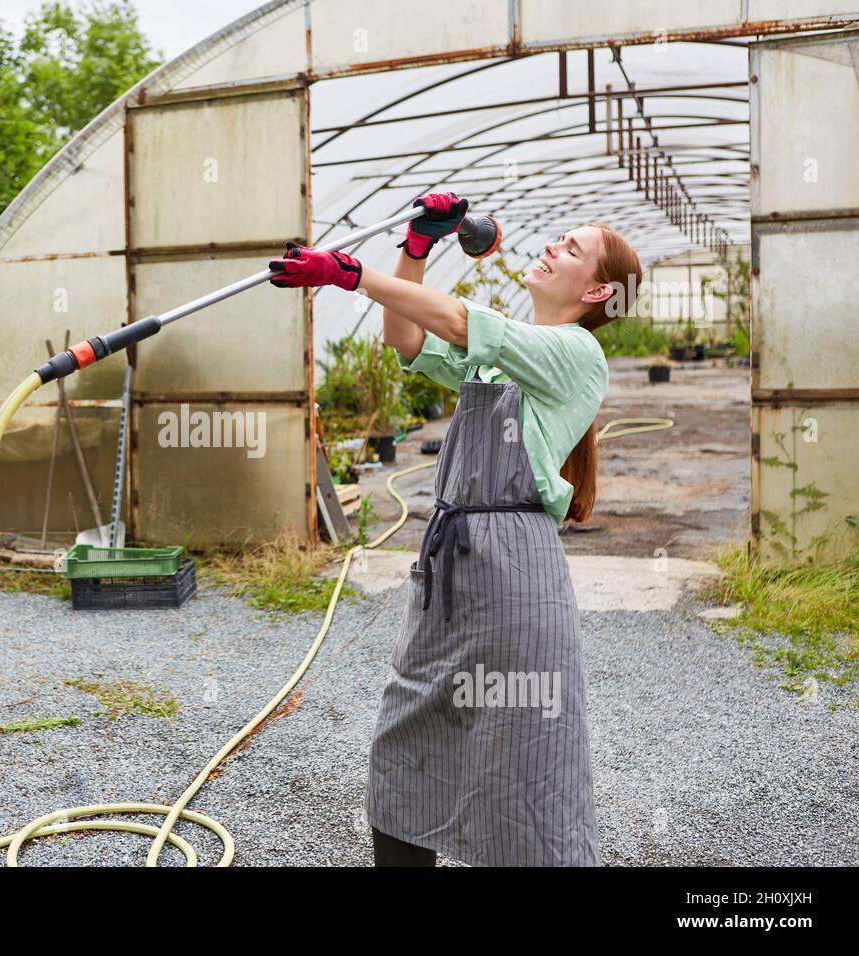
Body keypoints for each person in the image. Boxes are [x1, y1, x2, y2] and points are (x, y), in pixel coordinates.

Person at [267, 193, 641, 867]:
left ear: (596, 289)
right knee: (407, 737)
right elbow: (406, 336)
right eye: (557, 235)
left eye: (573, 247)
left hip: (515, 575)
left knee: (525, 755)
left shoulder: (578, 353)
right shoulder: (496, 357)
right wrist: (414, 248)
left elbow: (462, 318)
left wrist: (347, 272)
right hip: (452, 566)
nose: (553, 245)